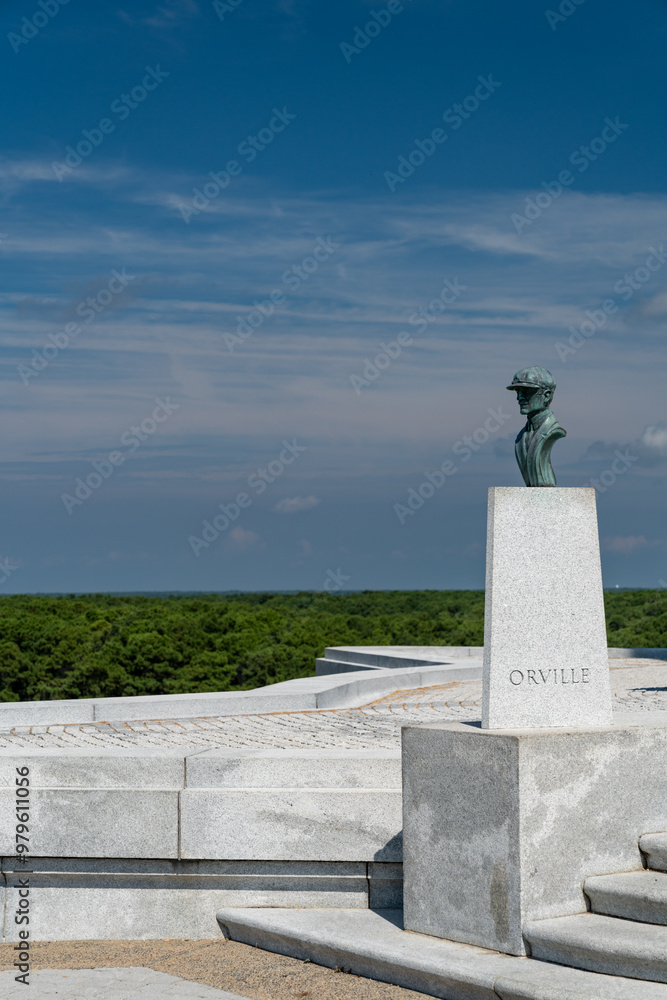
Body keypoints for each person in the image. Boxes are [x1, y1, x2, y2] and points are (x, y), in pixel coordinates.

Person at [506, 367, 566, 486]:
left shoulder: (553, 431)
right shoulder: (520, 438)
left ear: (547, 396)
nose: (519, 397)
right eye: (518, 391)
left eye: (527, 391)